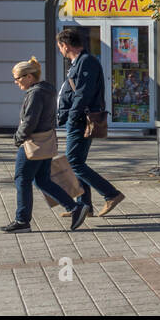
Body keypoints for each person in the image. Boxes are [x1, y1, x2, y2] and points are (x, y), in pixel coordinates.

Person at [2, 57, 88, 233]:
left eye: (18, 78)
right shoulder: (47, 91)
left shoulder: (35, 94)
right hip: (47, 141)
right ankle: (74, 208)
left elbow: (29, 121)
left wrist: (18, 138)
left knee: (22, 179)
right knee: (42, 180)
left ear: (29, 77)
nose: (16, 82)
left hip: (33, 143)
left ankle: (22, 220)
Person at [56, 27, 124, 217]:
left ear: (65, 45)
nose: (60, 50)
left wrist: (71, 116)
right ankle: (84, 205)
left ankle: (111, 194)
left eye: (60, 47)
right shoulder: (79, 62)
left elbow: (82, 94)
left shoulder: (87, 62)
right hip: (77, 118)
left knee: (74, 162)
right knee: (77, 162)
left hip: (80, 120)